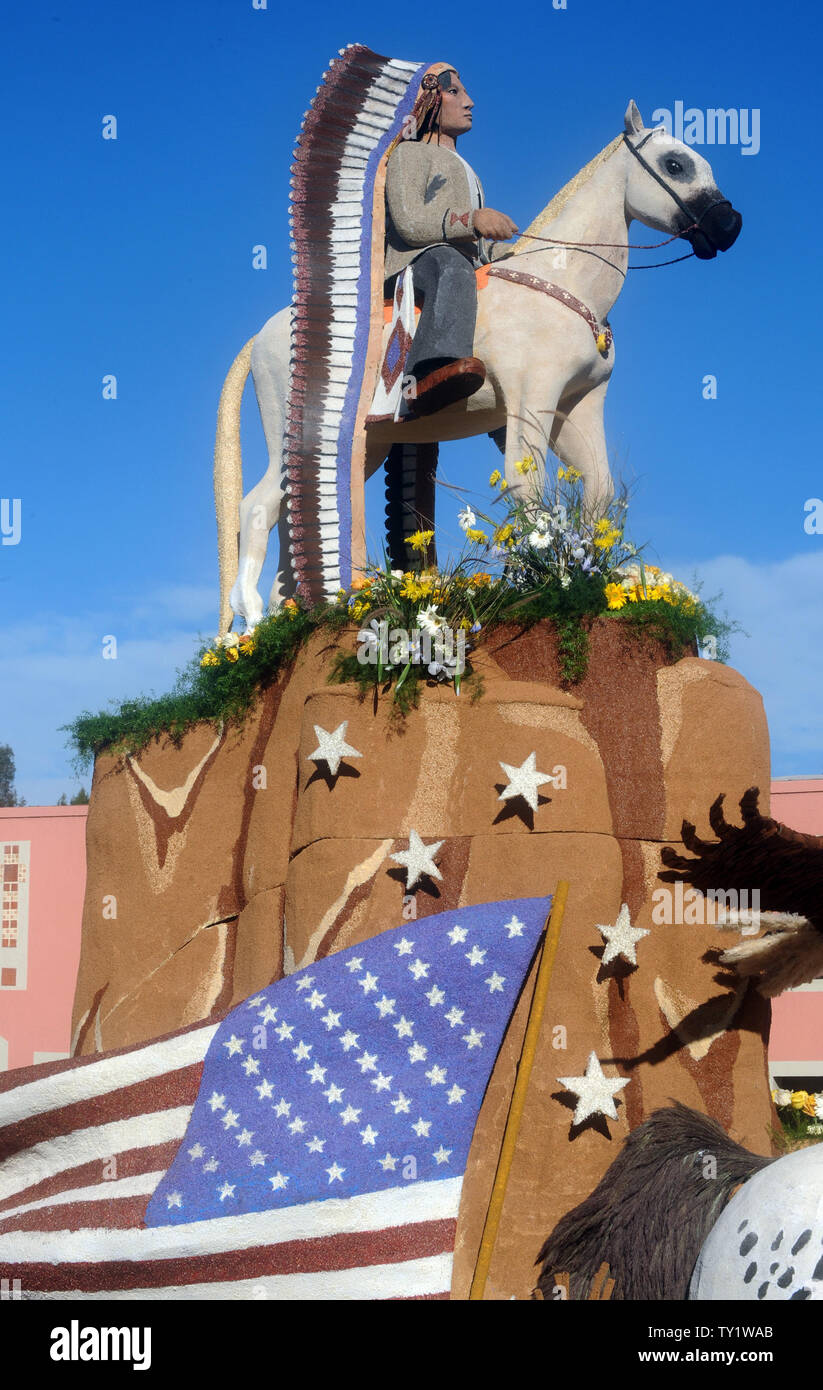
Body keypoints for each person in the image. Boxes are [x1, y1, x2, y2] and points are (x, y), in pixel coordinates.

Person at [384, 64, 519, 418]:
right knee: (452, 266)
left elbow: (473, 245)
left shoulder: (468, 171)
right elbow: (410, 222)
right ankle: (429, 371)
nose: (470, 102)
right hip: (414, 263)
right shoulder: (409, 154)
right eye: (455, 92)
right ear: (429, 101)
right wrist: (473, 219)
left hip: (457, 258)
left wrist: (514, 254)